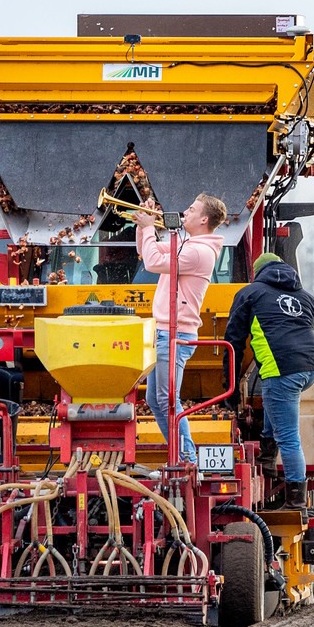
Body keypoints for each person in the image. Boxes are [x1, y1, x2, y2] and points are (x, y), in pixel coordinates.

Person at [224, 252, 314, 510]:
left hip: (281, 370)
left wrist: (228, 387)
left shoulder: (250, 293)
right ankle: (267, 455)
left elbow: (233, 343)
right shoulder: (306, 296)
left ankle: (296, 500)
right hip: (311, 369)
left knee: (288, 436)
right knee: (276, 405)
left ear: (257, 273)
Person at [132, 193, 227, 465]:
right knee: (156, 399)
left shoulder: (198, 251)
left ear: (204, 219)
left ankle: (187, 458)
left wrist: (150, 226)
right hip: (165, 333)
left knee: (168, 400)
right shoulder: (188, 244)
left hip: (175, 335)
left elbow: (152, 263)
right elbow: (146, 252)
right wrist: (143, 226)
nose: (185, 210)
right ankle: (180, 452)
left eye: (192, 208)